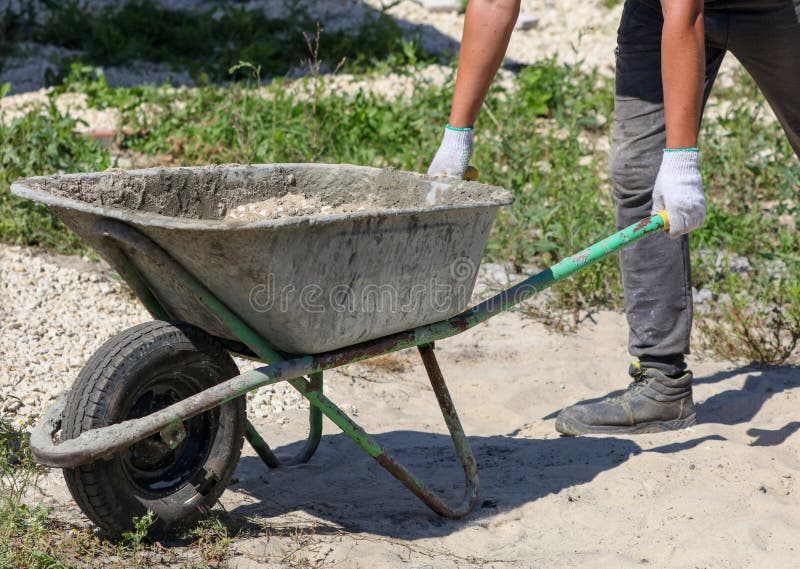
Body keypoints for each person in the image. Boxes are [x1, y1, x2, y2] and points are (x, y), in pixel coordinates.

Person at [428, 0, 800, 435]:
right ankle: (662, 383)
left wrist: (681, 158)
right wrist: (457, 137)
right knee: (640, 173)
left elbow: (687, 11)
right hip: (658, 11)